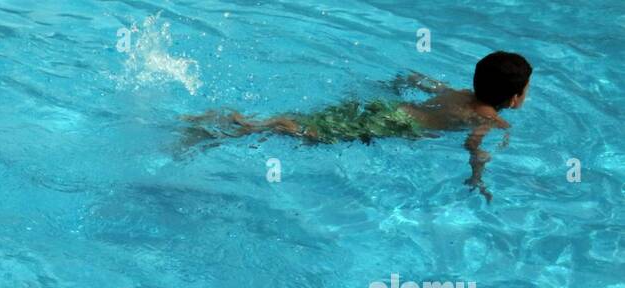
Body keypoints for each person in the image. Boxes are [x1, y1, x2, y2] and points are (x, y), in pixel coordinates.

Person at [182, 51, 532, 200]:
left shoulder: (459, 93)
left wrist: (395, 86)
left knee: (312, 124)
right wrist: (477, 178)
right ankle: (227, 127)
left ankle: (230, 123)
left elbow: (416, 78)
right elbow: (474, 148)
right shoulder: (490, 120)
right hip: (391, 124)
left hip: (390, 108)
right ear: (516, 98)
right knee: (306, 132)